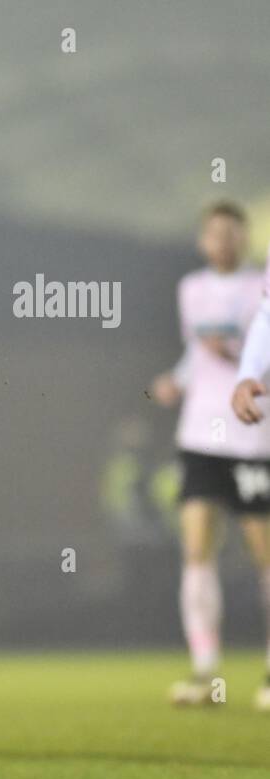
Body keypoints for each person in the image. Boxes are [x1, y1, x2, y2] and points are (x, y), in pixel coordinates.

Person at [150, 201, 270, 707]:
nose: (223, 240)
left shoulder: (256, 286)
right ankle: (205, 672)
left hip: (251, 436)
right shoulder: (190, 290)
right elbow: (193, 353)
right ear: (203, 240)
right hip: (200, 434)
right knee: (196, 548)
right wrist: (175, 381)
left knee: (263, 552)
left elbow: (258, 342)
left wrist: (239, 357)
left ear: (243, 239)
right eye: (214, 233)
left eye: (232, 232)